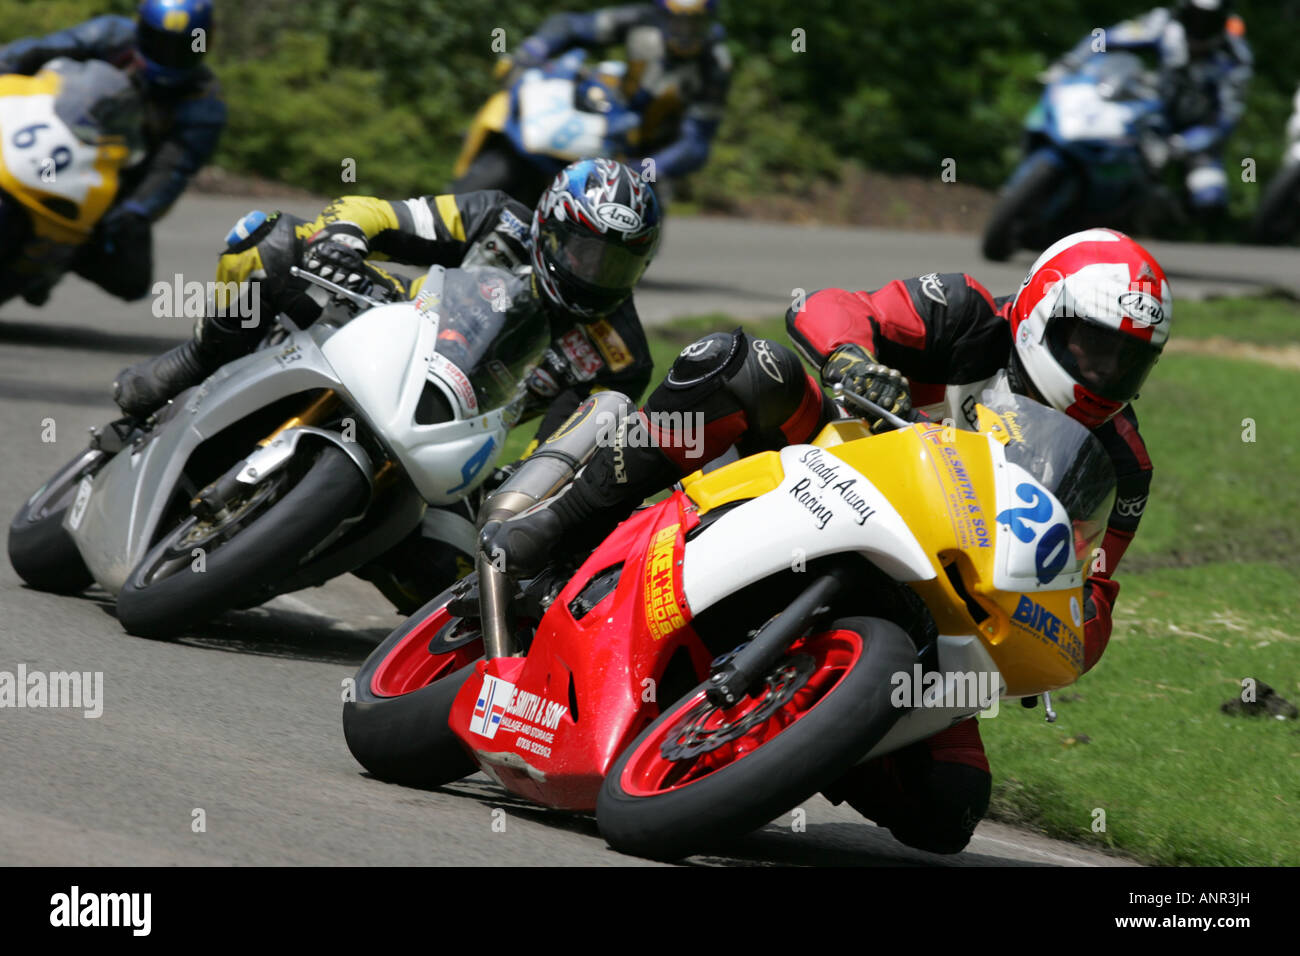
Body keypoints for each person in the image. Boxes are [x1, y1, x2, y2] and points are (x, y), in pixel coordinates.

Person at [487, 228, 1171, 853]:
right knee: (739, 364)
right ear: (1042, 311)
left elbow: (1097, 594)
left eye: (1127, 362)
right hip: (827, 480)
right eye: (1092, 345)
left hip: (937, 604)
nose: (1104, 373)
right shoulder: (964, 314)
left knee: (949, 810)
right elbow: (832, 307)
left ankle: (795, 739)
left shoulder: (1123, 464)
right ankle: (560, 521)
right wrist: (850, 357)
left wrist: (1061, 622)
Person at [0, 0, 226, 304]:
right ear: (142, 31)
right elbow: (35, 52)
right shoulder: (109, 35)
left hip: (111, 181)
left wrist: (136, 210)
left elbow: (172, 170)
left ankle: (53, 263)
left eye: (187, 46)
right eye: (162, 43)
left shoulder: (203, 101)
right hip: (48, 136)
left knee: (131, 278)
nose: (172, 55)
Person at [1044, 0, 1251, 221]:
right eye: (1195, 17)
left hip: (1195, 135)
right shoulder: (1163, 23)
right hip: (1153, 113)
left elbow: (1227, 116)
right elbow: (1109, 36)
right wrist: (1072, 62)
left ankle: (1161, 221)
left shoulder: (1235, 57)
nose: (1199, 26)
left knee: (1209, 198)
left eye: (1208, 20)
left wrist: (1185, 144)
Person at [513, 0, 730, 197]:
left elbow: (696, 142)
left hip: (651, 152)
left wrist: (645, 168)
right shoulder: (639, 19)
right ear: (663, 16)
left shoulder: (716, 65)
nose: (686, 32)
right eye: (679, 22)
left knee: (640, 210)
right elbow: (570, 25)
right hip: (614, 117)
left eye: (695, 23)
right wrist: (534, 49)